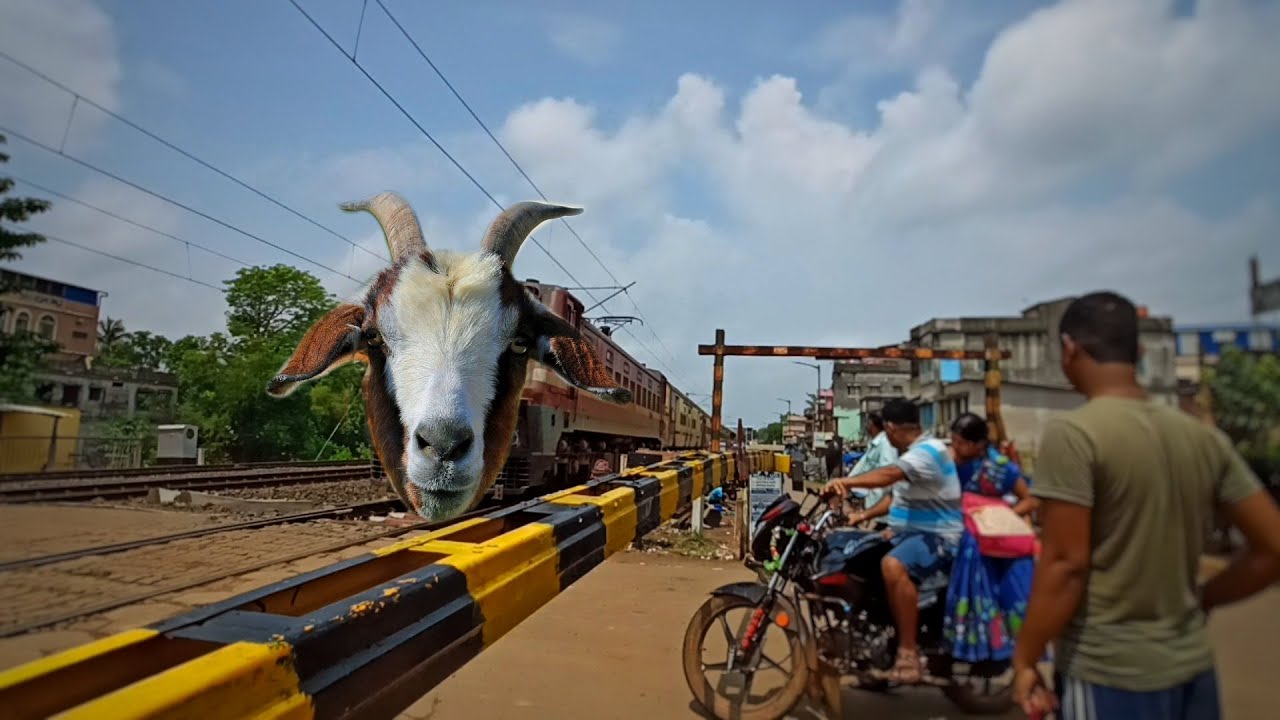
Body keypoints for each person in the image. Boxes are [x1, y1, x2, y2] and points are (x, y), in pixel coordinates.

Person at [1013, 291, 1280, 719]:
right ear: (1138, 351)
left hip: (1108, 673)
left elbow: (1065, 564)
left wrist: (1025, 659)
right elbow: (1272, 546)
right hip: (1194, 668)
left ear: (1069, 348)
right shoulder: (1203, 438)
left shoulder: (1075, 435)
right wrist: (1205, 597)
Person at [823, 398, 964, 683]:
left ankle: (908, 653)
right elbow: (893, 499)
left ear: (889, 428)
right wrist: (859, 518)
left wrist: (846, 482)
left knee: (892, 565)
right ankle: (876, 644)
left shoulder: (927, 452)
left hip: (940, 539)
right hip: (912, 534)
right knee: (860, 555)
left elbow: (889, 475)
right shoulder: (915, 454)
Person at [943, 412, 1038, 665]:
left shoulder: (1000, 466)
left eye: (960, 443)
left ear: (978, 444)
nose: (956, 448)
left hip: (996, 544)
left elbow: (1030, 498)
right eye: (953, 441)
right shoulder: (950, 463)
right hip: (967, 539)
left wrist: (1000, 518)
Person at [844, 411, 900, 527]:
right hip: (871, 503)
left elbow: (887, 472)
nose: (866, 427)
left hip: (880, 508)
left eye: (867, 423)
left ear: (872, 425)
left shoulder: (885, 443)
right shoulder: (875, 443)